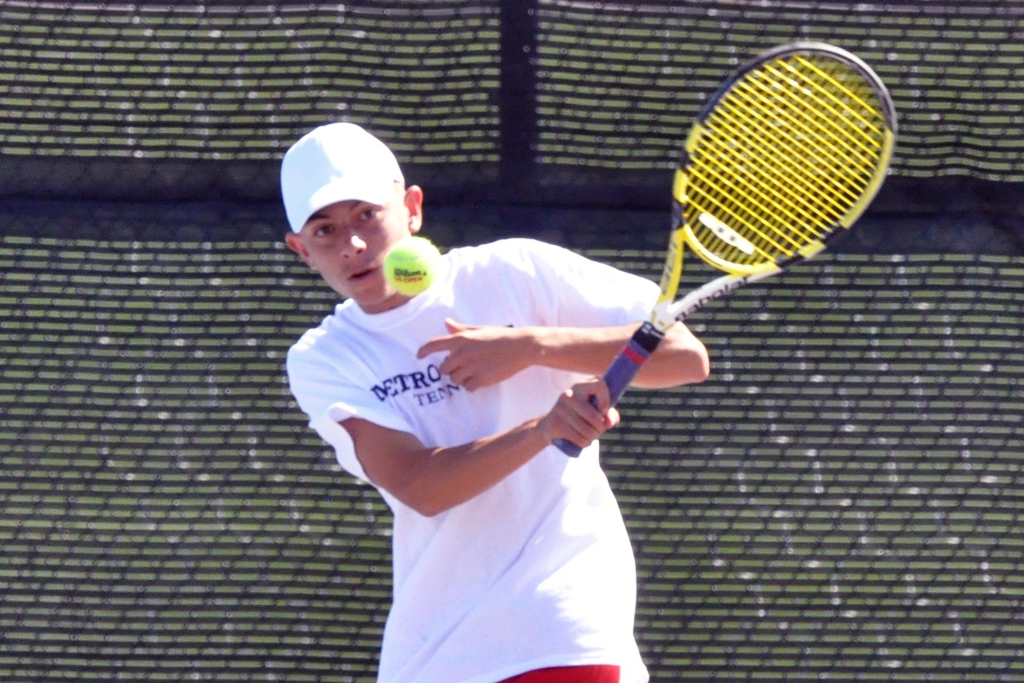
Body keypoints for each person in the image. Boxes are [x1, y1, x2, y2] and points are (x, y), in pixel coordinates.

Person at [280, 121, 710, 683]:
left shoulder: (514, 271)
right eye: (325, 229)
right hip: (432, 657)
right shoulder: (325, 358)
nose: (353, 244)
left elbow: (683, 355)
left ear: (411, 208)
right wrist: (542, 429)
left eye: (367, 214)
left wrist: (532, 345)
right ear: (301, 250)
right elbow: (420, 486)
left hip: (563, 630)